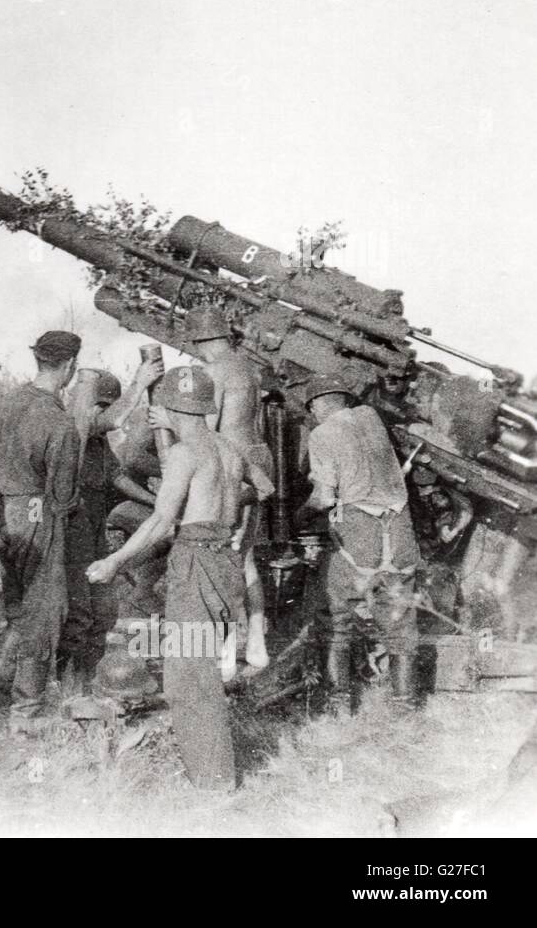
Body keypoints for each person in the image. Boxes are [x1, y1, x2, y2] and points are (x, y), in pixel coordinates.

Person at [87, 366, 273, 791]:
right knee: (202, 666)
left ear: (170, 408)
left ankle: (214, 783)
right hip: (225, 562)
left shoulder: (185, 454)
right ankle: (216, 771)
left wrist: (114, 562)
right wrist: (235, 522)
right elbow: (264, 489)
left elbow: (160, 521)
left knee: (188, 676)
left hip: (195, 562)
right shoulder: (228, 448)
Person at [295, 375, 421, 712]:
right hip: (400, 529)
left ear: (316, 405)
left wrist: (299, 515)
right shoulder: (371, 418)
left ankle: (339, 706)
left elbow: (323, 498)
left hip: (360, 532)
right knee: (399, 617)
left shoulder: (321, 433)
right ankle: (404, 707)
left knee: (334, 615)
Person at [0, 331, 81, 727]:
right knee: (45, 612)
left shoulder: (8, 404)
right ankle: (27, 713)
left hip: (3, 513)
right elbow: (63, 498)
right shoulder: (59, 422)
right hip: (38, 515)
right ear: (69, 367)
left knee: (21, 612)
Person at [60, 362, 161, 692]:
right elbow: (114, 420)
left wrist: (157, 503)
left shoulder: (97, 442)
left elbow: (116, 476)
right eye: (101, 406)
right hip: (70, 537)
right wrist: (140, 382)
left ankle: (88, 682)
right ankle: (68, 687)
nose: (103, 414)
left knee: (103, 613)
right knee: (78, 615)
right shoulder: (71, 431)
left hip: (93, 536)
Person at [185, 305, 273, 669]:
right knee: (246, 556)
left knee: (221, 554)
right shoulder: (247, 367)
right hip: (258, 460)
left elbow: (206, 431)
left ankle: (226, 649)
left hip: (233, 465)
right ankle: (256, 641)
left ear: (200, 340)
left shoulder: (212, 372)